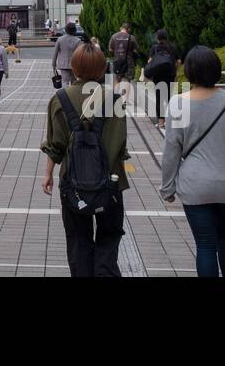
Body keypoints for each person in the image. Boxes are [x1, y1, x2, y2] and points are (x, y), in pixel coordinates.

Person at [160, 46, 225, 277]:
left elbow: (171, 151)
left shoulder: (179, 103)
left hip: (196, 186)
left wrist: (167, 187)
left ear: (188, 71)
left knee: (205, 246)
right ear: (217, 69)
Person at [41, 44, 130, 277]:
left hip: (73, 183)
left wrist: (48, 173)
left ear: (73, 67)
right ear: (102, 69)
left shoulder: (60, 98)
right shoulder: (114, 99)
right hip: (110, 182)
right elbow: (121, 144)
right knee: (109, 237)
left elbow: (55, 145)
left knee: (78, 240)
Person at [146, 29, 181, 129]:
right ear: (166, 37)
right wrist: (176, 71)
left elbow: (150, 61)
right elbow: (178, 61)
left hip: (158, 76)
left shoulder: (155, 48)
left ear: (157, 38)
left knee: (159, 99)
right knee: (169, 98)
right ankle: (171, 121)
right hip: (170, 75)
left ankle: (161, 123)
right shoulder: (173, 47)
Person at [108, 23, 140, 91]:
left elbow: (110, 49)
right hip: (129, 64)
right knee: (127, 82)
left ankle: (115, 96)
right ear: (128, 29)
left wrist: (117, 51)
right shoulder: (131, 37)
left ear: (121, 28)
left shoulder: (114, 36)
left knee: (117, 79)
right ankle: (125, 101)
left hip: (117, 62)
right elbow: (136, 50)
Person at [51, 21, 82, 88]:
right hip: (74, 65)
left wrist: (53, 65)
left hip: (63, 65)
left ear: (66, 30)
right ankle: (73, 95)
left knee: (65, 82)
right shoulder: (78, 40)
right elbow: (80, 54)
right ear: (74, 30)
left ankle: (65, 96)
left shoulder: (60, 39)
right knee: (74, 82)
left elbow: (55, 53)